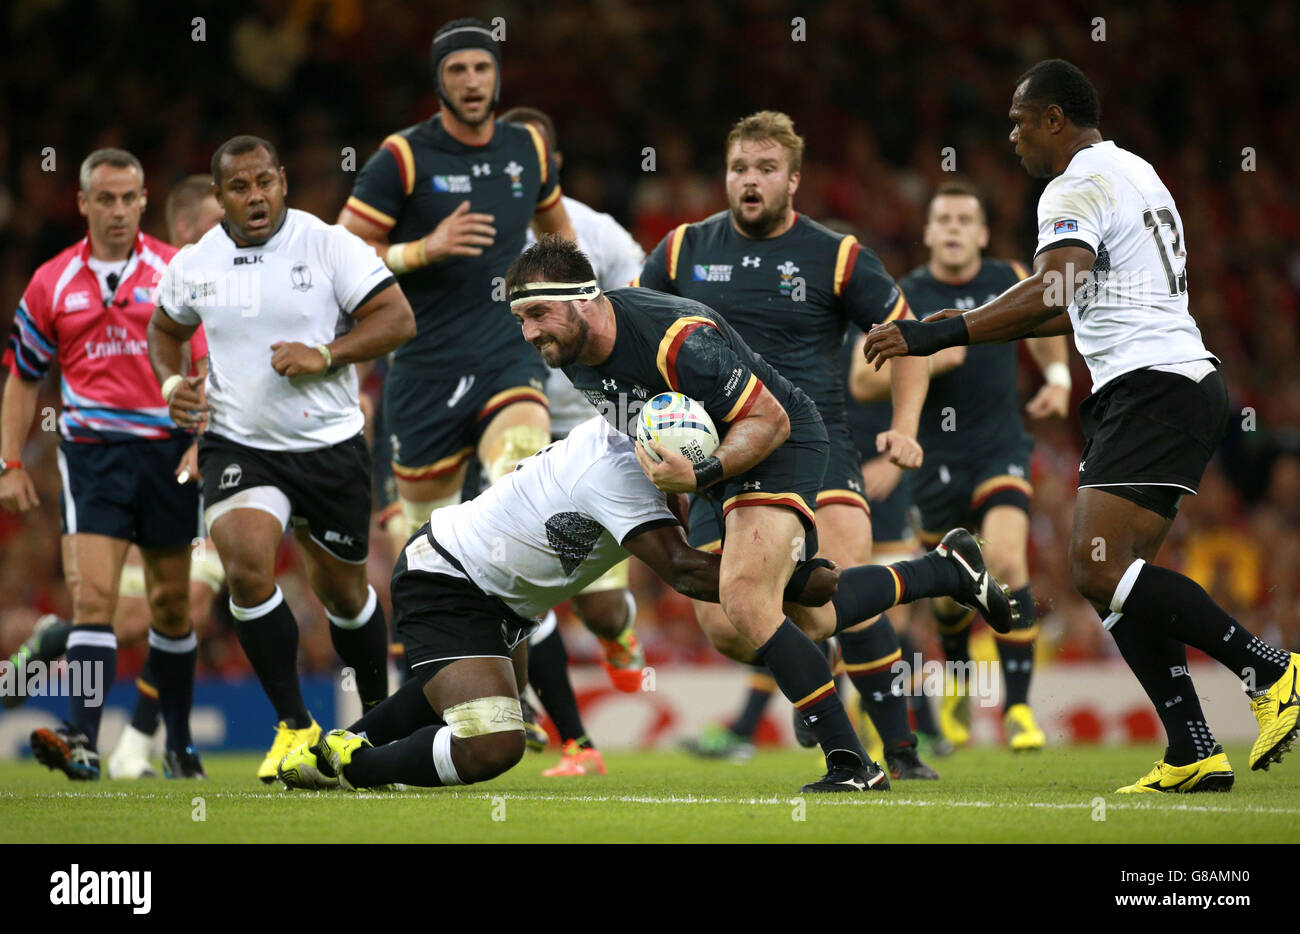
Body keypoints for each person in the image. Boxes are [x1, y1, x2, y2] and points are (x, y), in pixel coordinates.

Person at [863, 59, 1299, 792]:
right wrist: (966, 325)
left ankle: (1272, 670)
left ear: (1054, 119)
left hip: (1150, 386)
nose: (1013, 137)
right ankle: (1193, 747)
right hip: (1178, 382)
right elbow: (1069, 303)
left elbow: (1054, 287)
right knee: (1115, 580)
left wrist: (942, 335)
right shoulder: (1137, 173)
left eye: (1019, 121)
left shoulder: (1074, 186)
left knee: (1095, 568)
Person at [505, 236, 1015, 792]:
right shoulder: (575, 358)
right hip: (717, 465)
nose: (530, 333)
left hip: (779, 442)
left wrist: (698, 477)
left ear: (582, 297)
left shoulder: (678, 340)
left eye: (538, 313)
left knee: (745, 598)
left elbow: (769, 421)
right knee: (809, 619)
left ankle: (852, 763)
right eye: (520, 319)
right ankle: (944, 570)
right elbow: (649, 433)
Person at [275, 415, 1008, 793]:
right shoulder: (618, 474)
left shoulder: (660, 450)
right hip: (451, 581)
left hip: (507, 594)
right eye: (680, 473)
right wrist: (779, 575)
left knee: (809, 609)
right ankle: (353, 768)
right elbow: (690, 575)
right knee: (494, 740)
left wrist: (789, 574)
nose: (688, 481)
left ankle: (941, 570)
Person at [637, 112, 937, 780]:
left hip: (816, 440)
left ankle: (903, 751)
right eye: (740, 168)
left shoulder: (836, 255)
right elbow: (635, 337)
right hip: (720, 458)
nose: (750, 181)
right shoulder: (682, 251)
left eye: (766, 169)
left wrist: (907, 425)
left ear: (794, 180)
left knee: (830, 592)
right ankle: (819, 665)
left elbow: (907, 339)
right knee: (728, 624)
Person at [147, 135, 416, 782]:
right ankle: (295, 727)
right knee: (243, 566)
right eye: (239, 187)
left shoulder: (328, 244)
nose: (255, 196)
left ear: (283, 182)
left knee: (345, 595)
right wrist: (170, 384)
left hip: (329, 445)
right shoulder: (195, 262)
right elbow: (165, 328)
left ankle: (376, 722)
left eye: (264, 181)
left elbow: (398, 319)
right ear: (219, 197)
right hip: (239, 442)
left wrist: (326, 354)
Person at [4, 175, 227, 780]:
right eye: (105, 198)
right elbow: (23, 375)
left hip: (209, 456)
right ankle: (97, 739)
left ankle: (152, 732)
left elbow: (220, 363)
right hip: (116, 455)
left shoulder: (237, 270)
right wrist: (11, 461)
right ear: (183, 231)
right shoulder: (62, 278)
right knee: (123, 606)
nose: (225, 231)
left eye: (129, 198)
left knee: (175, 609)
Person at [338, 17, 575, 567]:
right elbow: (341, 253)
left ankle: (523, 609)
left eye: (482, 68)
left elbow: (559, 236)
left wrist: (560, 299)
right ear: (439, 81)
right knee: (429, 551)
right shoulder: (402, 156)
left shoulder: (528, 148)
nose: (472, 80)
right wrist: (423, 250)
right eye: (457, 69)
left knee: (523, 466)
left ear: (497, 77)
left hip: (507, 353)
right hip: (424, 368)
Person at [853, 181, 1071, 752]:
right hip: (933, 459)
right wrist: (935, 357)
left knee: (1004, 556)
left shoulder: (1008, 278)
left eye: (964, 219)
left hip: (999, 448)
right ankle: (956, 686)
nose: (952, 227)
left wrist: (1057, 376)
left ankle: (1019, 711)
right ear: (927, 233)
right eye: (942, 218)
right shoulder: (905, 295)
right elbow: (860, 378)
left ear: (982, 233)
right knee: (952, 594)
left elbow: (1044, 326)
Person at [501, 105, 648, 778]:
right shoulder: (485, 231)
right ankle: (571, 740)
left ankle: (618, 631)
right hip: (508, 421)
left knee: (596, 601)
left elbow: (642, 316)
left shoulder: (603, 236)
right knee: (521, 578)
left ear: (550, 166)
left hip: (592, 423)